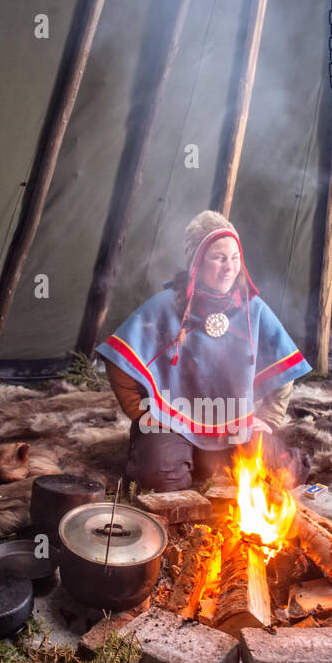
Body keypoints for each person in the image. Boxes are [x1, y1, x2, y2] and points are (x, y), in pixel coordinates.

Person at [97, 210, 313, 492]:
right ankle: (182, 459)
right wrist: (139, 411)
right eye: (218, 258)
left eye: (235, 257)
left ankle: (209, 461)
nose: (229, 267)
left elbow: (285, 370)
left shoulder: (253, 310)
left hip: (232, 424)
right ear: (197, 262)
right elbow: (118, 359)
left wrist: (269, 420)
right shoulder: (164, 308)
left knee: (284, 471)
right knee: (159, 477)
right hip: (171, 422)